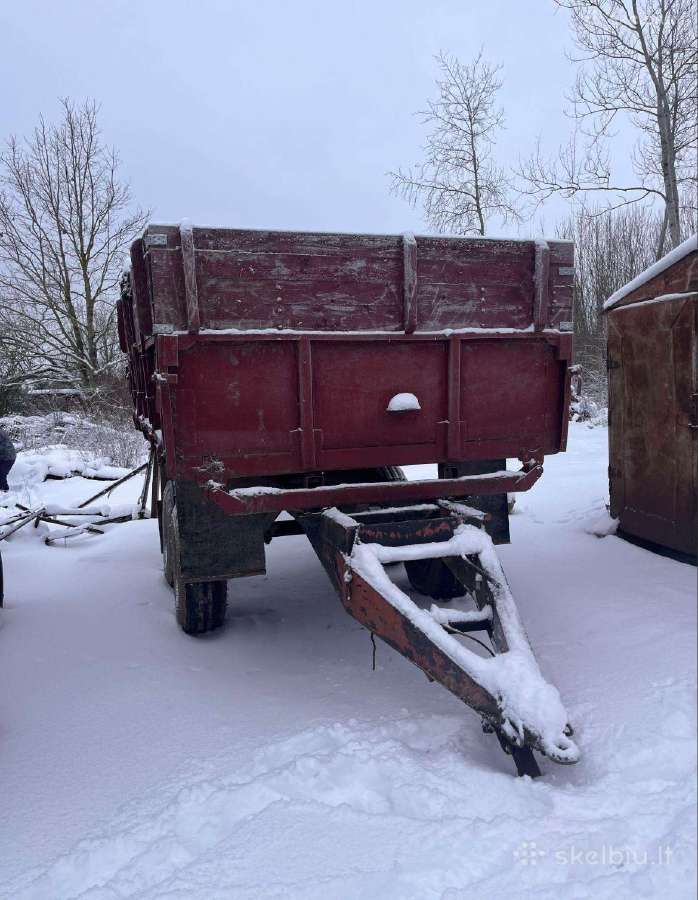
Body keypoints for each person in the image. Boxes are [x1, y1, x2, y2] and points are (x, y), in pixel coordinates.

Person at [0, 425, 16, 491]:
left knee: (1, 473)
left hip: (8, 457)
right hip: (2, 456)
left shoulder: (1, 433)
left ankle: (4, 489)